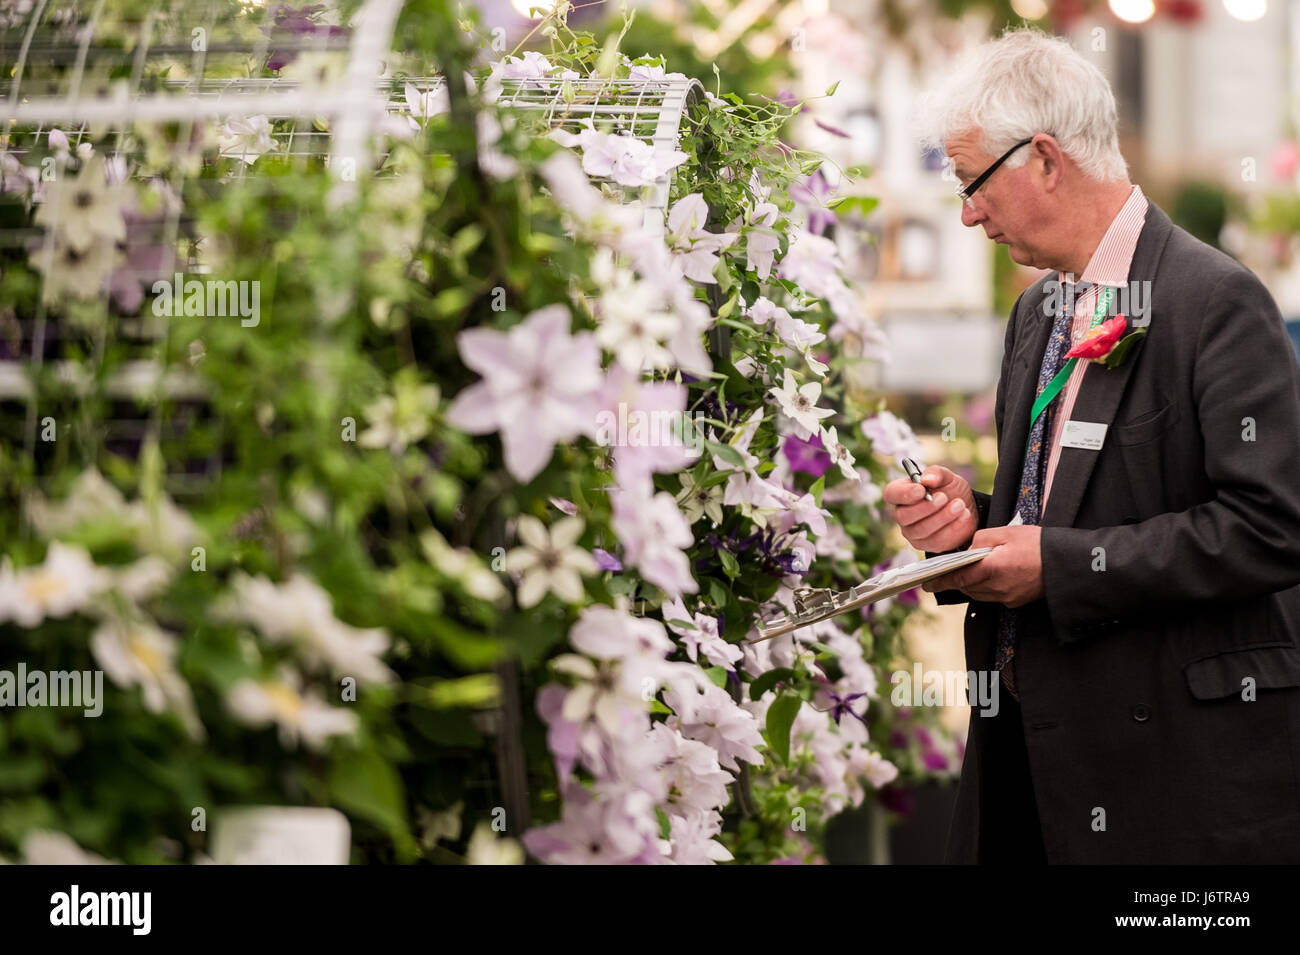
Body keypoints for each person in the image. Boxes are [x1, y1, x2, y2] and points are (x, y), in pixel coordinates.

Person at [882, 29, 1300, 863]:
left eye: (972, 181)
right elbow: (1055, 502)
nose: (966, 212)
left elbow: (1271, 528)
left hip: (1168, 779)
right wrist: (967, 523)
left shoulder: (1214, 300)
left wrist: (1062, 565)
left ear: (1044, 157)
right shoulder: (1038, 313)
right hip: (1032, 758)